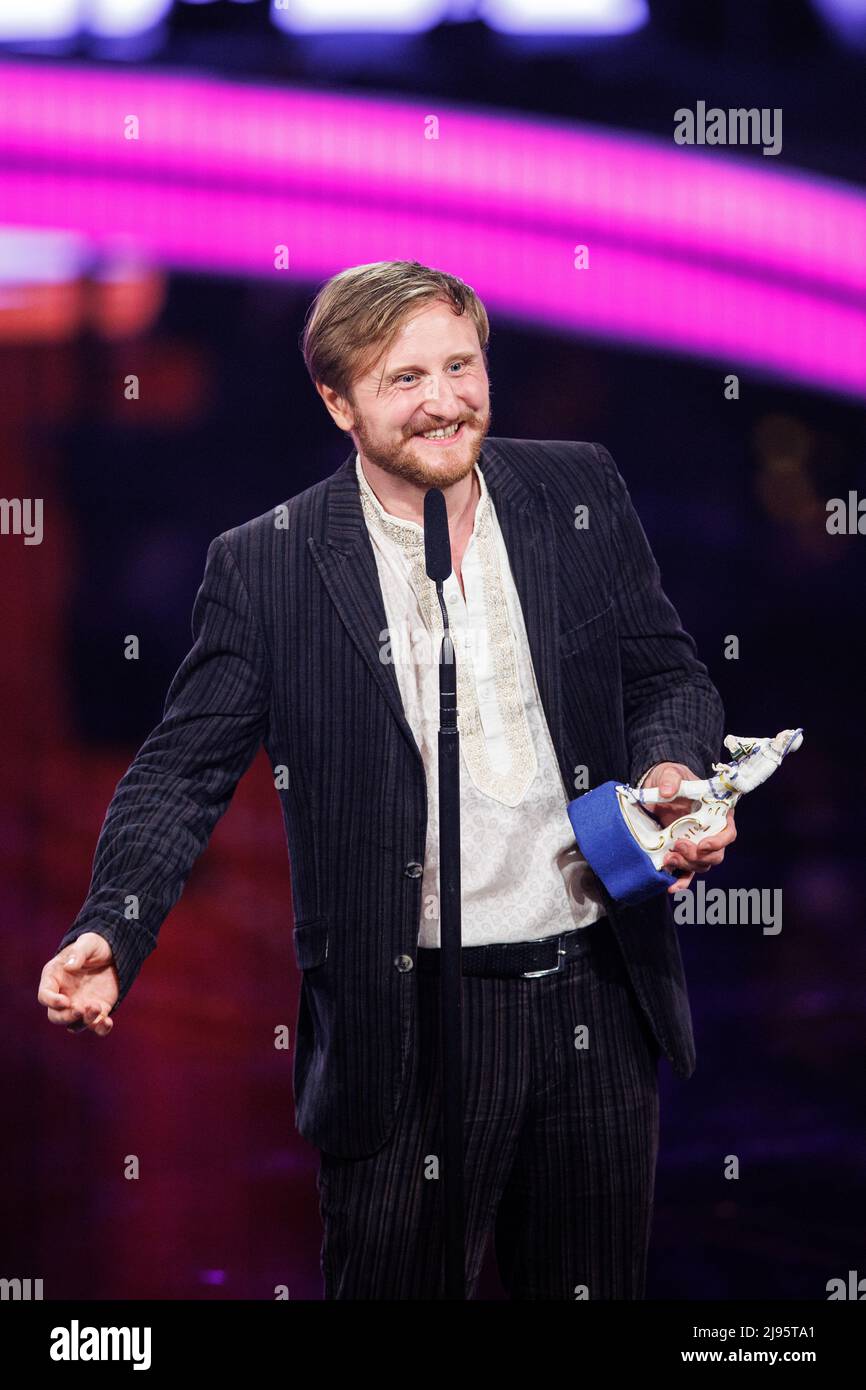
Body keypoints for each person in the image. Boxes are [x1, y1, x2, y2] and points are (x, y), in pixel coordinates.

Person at [38, 259, 735, 1299]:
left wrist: (669, 770)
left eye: (461, 366)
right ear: (337, 400)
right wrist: (113, 925)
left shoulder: (576, 489)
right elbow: (180, 773)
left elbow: (664, 672)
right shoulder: (266, 566)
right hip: (407, 1028)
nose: (445, 401)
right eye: (405, 379)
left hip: (596, 999)